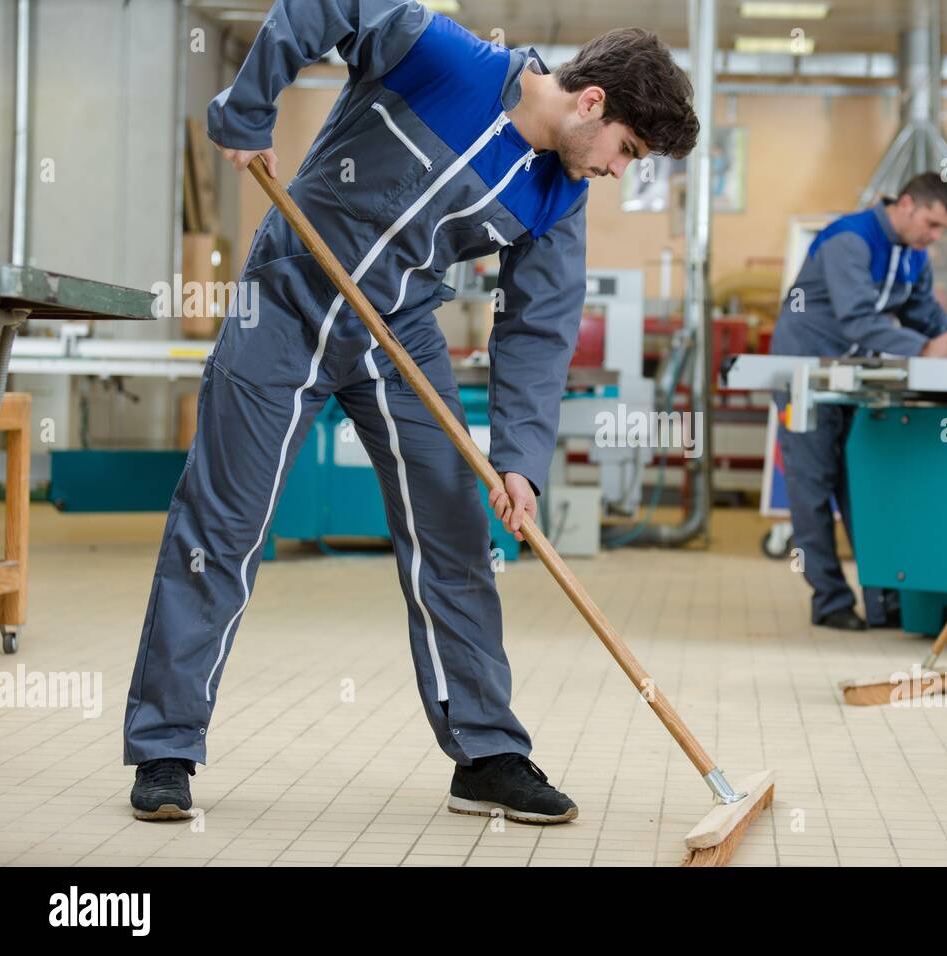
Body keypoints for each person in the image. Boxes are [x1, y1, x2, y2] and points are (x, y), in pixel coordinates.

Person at [124, 0, 698, 823]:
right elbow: (325, 4)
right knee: (224, 527)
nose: (617, 170)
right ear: (592, 103)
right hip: (284, 305)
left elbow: (536, 329)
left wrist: (519, 464)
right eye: (627, 151)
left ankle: (487, 753)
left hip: (395, 333)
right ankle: (165, 747)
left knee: (455, 534)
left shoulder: (559, 197)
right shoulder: (445, 58)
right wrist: (247, 106)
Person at [770, 173, 947, 631]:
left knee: (864, 487)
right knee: (813, 486)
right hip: (807, 375)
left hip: (854, 376)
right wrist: (921, 349)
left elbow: (926, 314)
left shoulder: (913, 254)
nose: (933, 237)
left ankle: (886, 602)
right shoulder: (849, 239)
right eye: (931, 225)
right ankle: (831, 602)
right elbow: (857, 318)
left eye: (941, 231)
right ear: (908, 204)